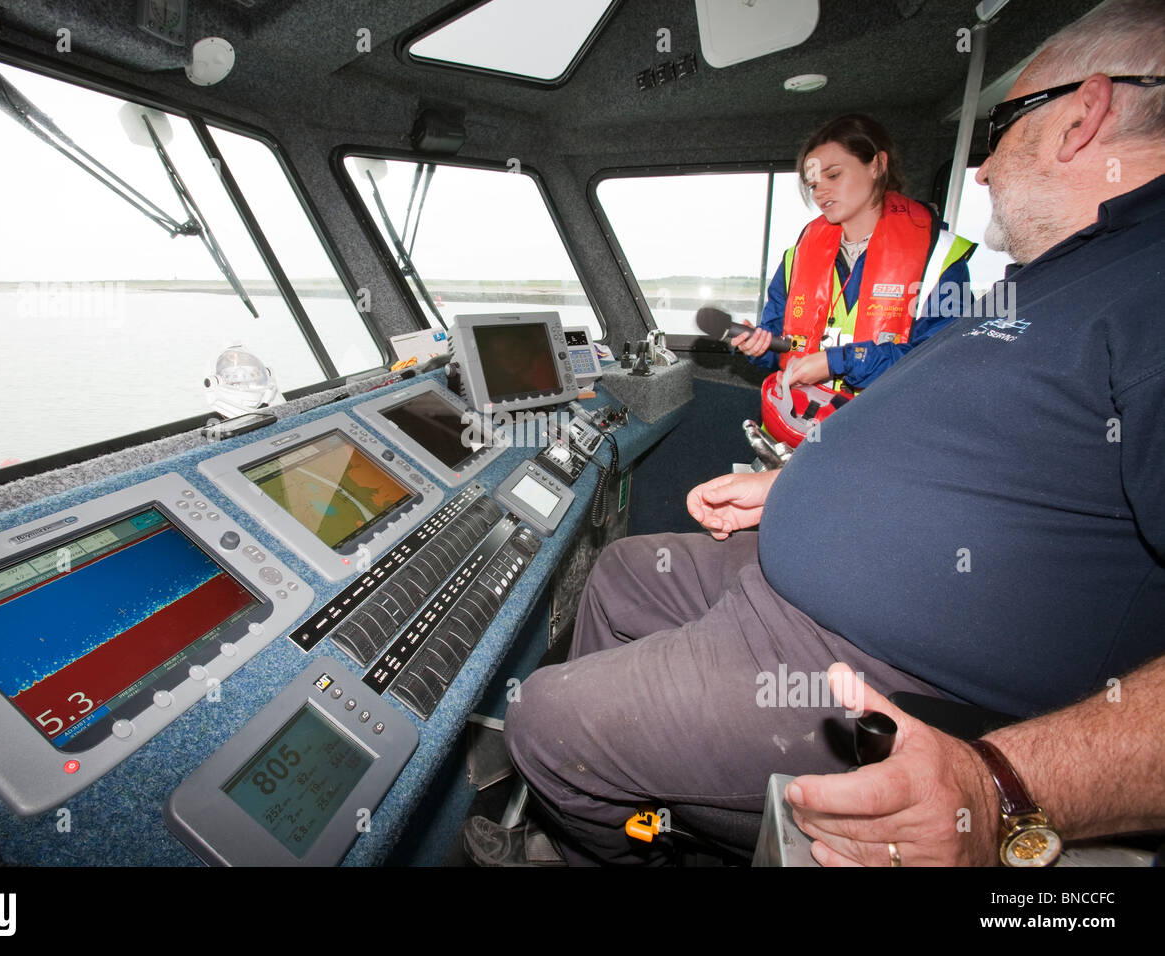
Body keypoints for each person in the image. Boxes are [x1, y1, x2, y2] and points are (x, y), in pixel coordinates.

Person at [465, 0, 1165, 866]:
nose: (980, 169)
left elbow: (905, 364)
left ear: (1084, 114)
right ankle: (641, 807)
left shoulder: (1052, 275)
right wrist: (788, 474)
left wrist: (1002, 787)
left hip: (878, 660)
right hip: (794, 545)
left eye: (1004, 124)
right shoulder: (1056, 276)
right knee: (619, 567)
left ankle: (616, 819)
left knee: (544, 717)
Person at [733, 115, 975, 401]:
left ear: (877, 165)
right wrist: (760, 347)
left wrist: (838, 361)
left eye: (833, 175)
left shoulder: (940, 258)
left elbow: (943, 360)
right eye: (812, 185)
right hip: (798, 426)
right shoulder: (795, 259)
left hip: (881, 429)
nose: (820, 191)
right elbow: (780, 349)